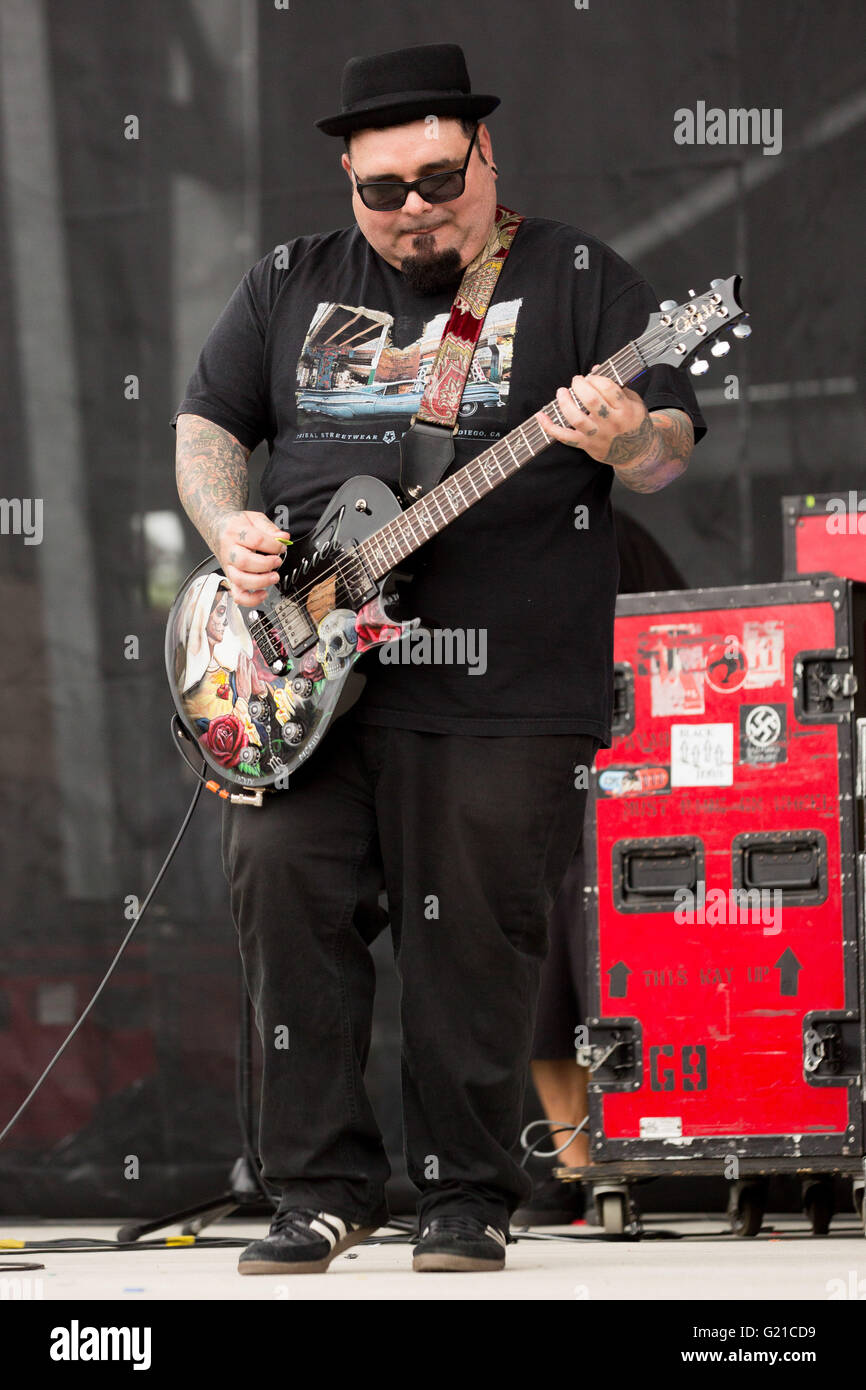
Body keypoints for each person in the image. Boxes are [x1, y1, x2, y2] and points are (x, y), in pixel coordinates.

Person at [171, 43, 706, 1274]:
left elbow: (671, 448)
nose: (413, 208)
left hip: (503, 687)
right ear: (346, 184)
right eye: (382, 189)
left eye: (436, 177)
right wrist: (226, 525)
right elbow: (209, 418)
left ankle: (467, 1192)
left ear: (484, 156)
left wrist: (628, 436)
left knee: (474, 940)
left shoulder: (573, 277)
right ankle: (319, 1188)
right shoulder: (289, 282)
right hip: (307, 675)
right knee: (280, 891)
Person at [518, 511, 688, 1226]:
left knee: (621, 974)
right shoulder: (491, 545)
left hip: (631, 785)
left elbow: (687, 641)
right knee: (541, 982)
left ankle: (639, 1154)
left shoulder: (619, 539)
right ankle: (573, 1168)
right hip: (531, 782)